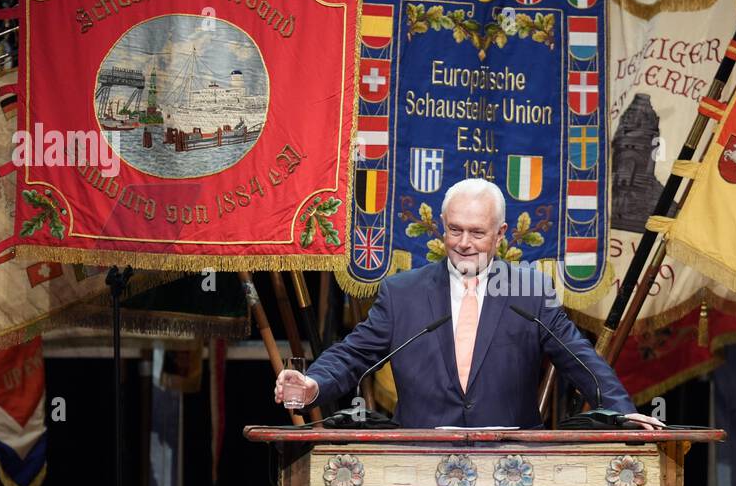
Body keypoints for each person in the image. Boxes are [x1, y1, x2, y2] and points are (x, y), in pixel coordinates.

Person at [273, 178, 662, 430]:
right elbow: (353, 355)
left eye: (477, 232)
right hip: (418, 464)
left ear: (500, 235)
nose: (464, 242)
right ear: (442, 225)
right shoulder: (402, 293)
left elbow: (580, 360)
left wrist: (621, 412)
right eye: (454, 229)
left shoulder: (529, 292)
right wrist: (313, 384)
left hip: (514, 469)